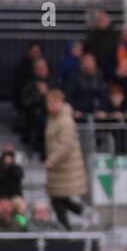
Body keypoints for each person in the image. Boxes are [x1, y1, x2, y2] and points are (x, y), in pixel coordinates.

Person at [43, 89, 88, 230]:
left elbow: (65, 145)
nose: (50, 106)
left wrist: (52, 160)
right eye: (49, 103)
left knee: (57, 198)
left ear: (60, 103)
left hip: (66, 167)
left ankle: (68, 225)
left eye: (53, 103)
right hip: (58, 169)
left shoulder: (65, 120)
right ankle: (81, 215)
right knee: (58, 198)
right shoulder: (53, 117)